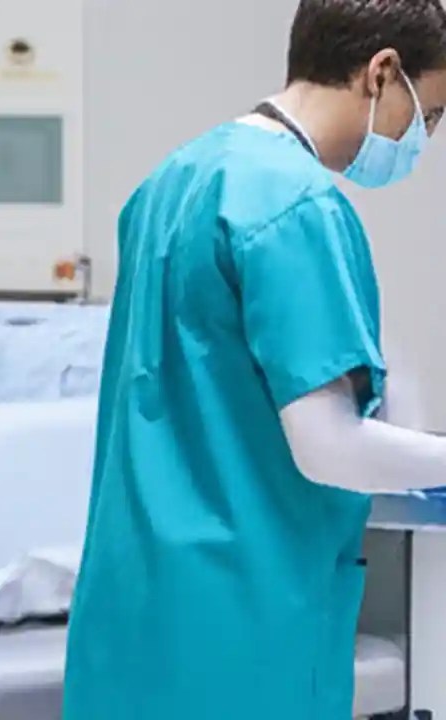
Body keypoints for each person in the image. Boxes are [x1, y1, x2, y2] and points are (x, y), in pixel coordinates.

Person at [63, 2, 446, 718]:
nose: (420, 140)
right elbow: (329, 447)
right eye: (426, 116)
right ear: (382, 72)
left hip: (135, 620)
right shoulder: (296, 203)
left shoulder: (172, 182)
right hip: (239, 629)